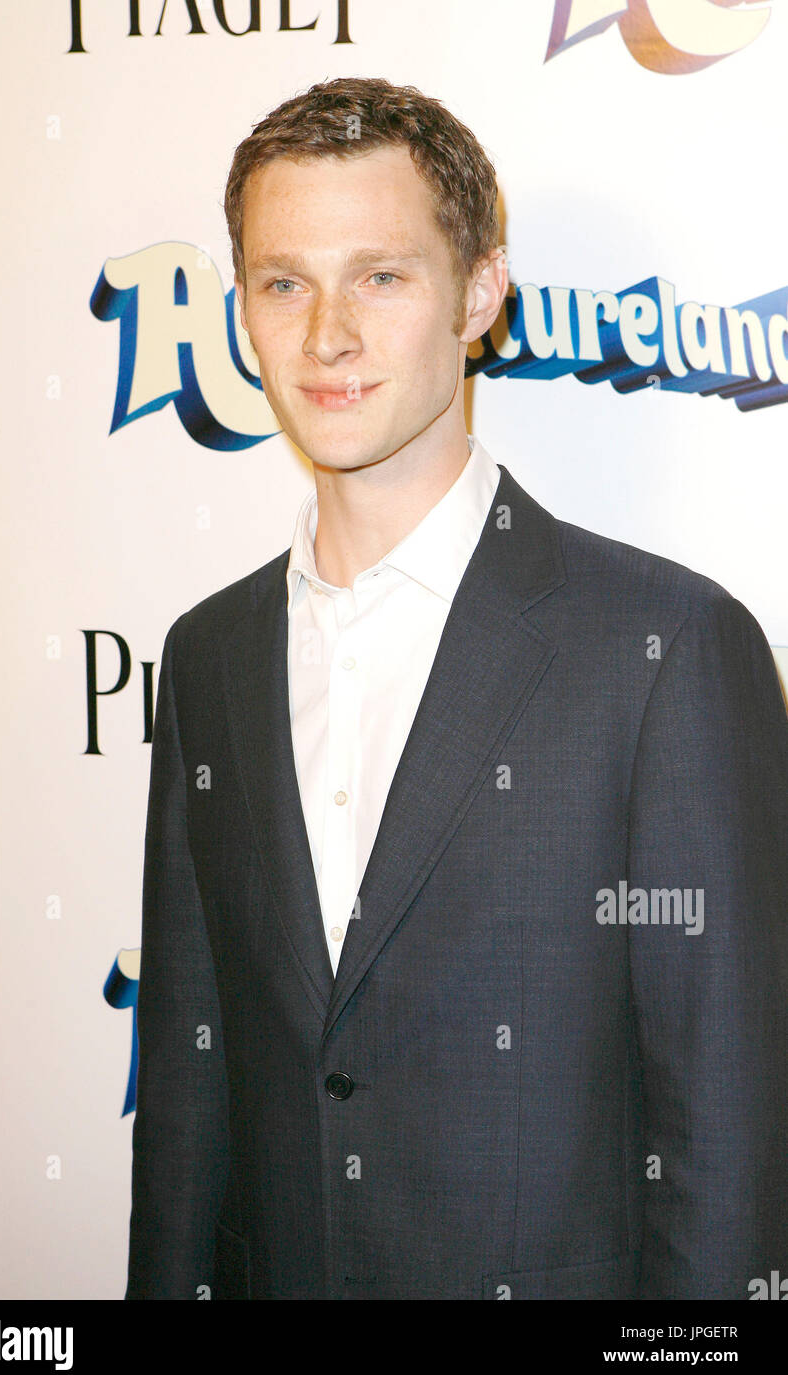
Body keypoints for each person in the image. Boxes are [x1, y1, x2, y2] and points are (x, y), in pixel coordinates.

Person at [125, 76, 788, 1300]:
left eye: (380, 276)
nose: (326, 333)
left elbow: (727, 1137)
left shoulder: (666, 649)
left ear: (478, 294)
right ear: (243, 311)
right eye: (284, 282)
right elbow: (186, 1090)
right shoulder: (208, 657)